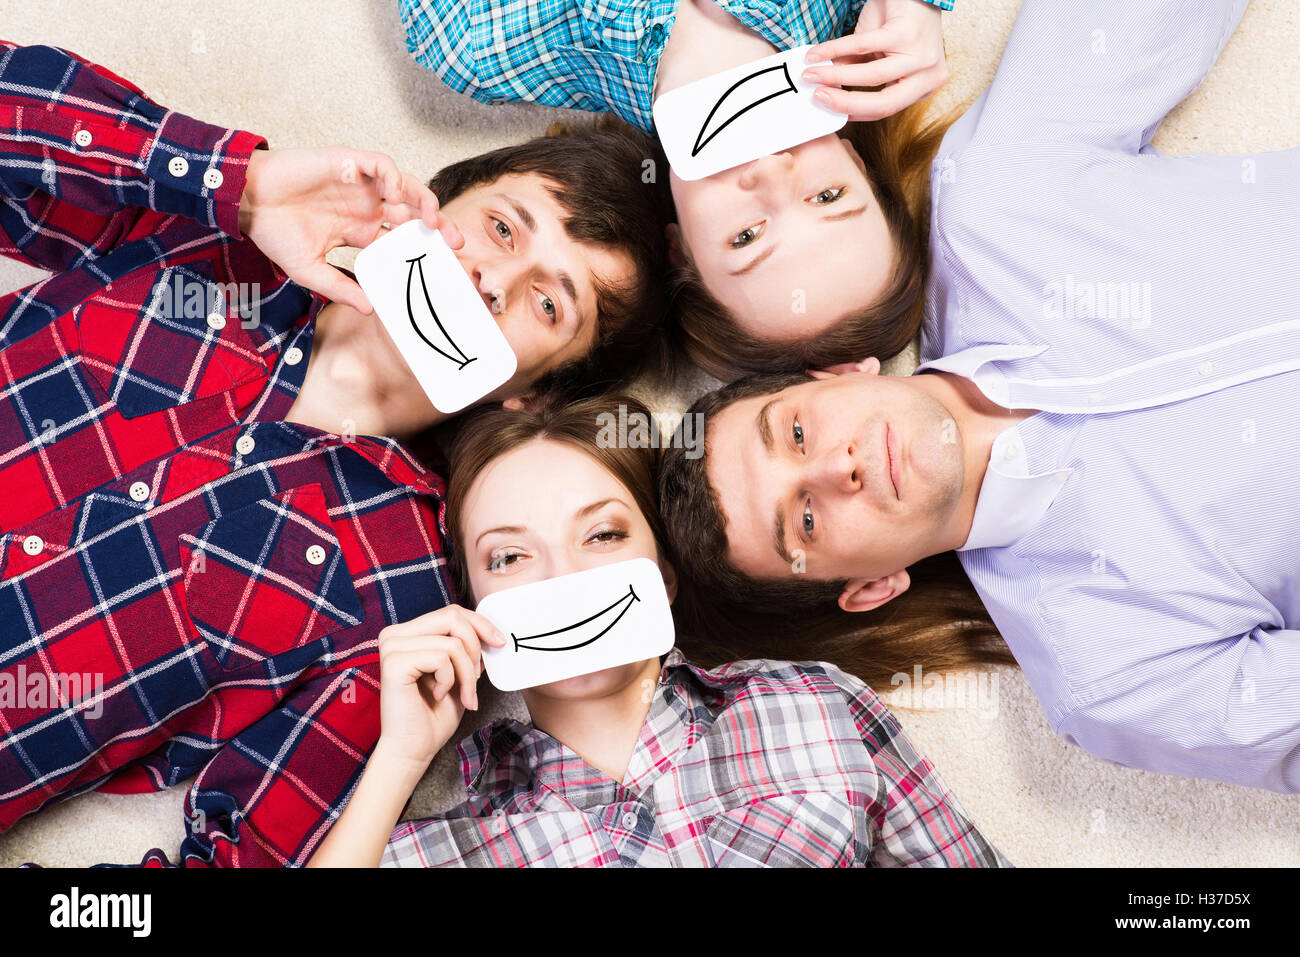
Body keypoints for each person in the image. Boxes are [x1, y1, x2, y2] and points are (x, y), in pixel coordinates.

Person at [0, 40, 667, 865]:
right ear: (436, 205)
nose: (494, 280)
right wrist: (235, 185)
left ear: (527, 392)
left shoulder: (399, 603)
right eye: (500, 228)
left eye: (548, 302)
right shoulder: (212, 235)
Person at [658, 0, 1300, 793]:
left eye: (795, 433)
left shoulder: (997, 197)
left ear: (839, 374)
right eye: (808, 519)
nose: (836, 469)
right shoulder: (1108, 670)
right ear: (871, 590)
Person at [306, 394, 1009, 867]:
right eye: (510, 556)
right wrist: (399, 759)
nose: (563, 577)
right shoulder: (451, 847)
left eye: (604, 533)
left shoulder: (816, 704)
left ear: (664, 573)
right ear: (471, 604)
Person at [400, 0, 956, 376]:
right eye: (827, 196)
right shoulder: (877, 13)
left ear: (680, 246)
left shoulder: (475, 49)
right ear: (854, 158)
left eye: (747, 235)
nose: (769, 173)